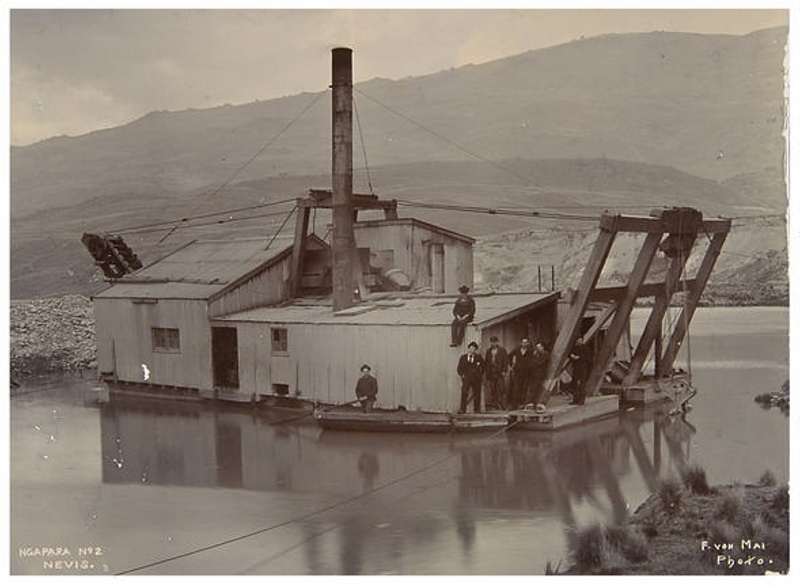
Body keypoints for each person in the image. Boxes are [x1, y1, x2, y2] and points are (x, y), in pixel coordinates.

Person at [457, 341, 484, 413]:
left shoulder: (479, 358)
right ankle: (462, 409)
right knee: (464, 393)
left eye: (474, 349)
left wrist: (480, 375)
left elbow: (484, 367)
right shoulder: (463, 358)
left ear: (476, 350)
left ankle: (477, 409)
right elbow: (459, 368)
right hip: (466, 379)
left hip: (476, 379)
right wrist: (462, 374)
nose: (472, 350)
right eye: (471, 348)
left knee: (477, 394)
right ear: (468, 349)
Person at [483, 336, 509, 410]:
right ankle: (495, 405)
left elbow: (505, 361)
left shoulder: (502, 350)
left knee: (501, 389)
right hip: (491, 373)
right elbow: (486, 362)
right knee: (493, 389)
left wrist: (504, 370)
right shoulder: (488, 351)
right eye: (492, 342)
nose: (493, 343)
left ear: (497, 342)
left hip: (499, 373)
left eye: (494, 342)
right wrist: (487, 371)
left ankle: (503, 405)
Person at [508, 338, 534, 408]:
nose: (524, 344)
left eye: (526, 342)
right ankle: (514, 404)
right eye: (523, 342)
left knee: (524, 388)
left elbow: (533, 360)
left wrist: (530, 367)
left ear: (528, 343)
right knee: (516, 388)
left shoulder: (530, 351)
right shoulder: (516, 350)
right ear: (521, 343)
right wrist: (511, 366)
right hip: (517, 371)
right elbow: (510, 356)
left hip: (526, 372)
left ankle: (522, 404)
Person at [569, 340, 591, 405]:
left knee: (582, 384)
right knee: (574, 383)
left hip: (583, 367)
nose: (578, 342)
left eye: (579, 341)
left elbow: (588, 358)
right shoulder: (575, 347)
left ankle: (581, 400)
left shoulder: (585, 348)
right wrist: (571, 356)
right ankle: (575, 399)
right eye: (577, 341)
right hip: (576, 367)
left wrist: (579, 357)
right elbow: (569, 353)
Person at [528, 341, 550, 406]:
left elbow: (539, 363)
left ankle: (535, 402)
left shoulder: (545, 354)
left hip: (540, 374)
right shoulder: (535, 354)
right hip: (533, 373)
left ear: (543, 347)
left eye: (539, 347)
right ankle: (532, 402)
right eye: (537, 347)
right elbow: (530, 362)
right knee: (532, 388)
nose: (538, 348)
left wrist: (533, 363)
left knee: (537, 388)